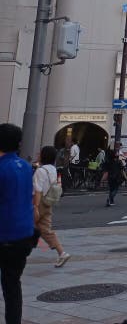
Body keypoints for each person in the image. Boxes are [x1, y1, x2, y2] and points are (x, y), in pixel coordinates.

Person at [0, 124, 34, 324]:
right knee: (13, 286)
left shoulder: (2, 168)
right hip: (24, 235)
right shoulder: (26, 167)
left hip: (5, 235)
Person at [32, 145, 70, 268]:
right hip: (49, 202)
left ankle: (15, 252)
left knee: (24, 225)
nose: (38, 155)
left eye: (40, 153)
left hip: (39, 202)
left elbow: (37, 190)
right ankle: (62, 253)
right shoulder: (52, 169)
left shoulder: (40, 171)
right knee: (45, 229)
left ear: (44, 155)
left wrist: (36, 207)